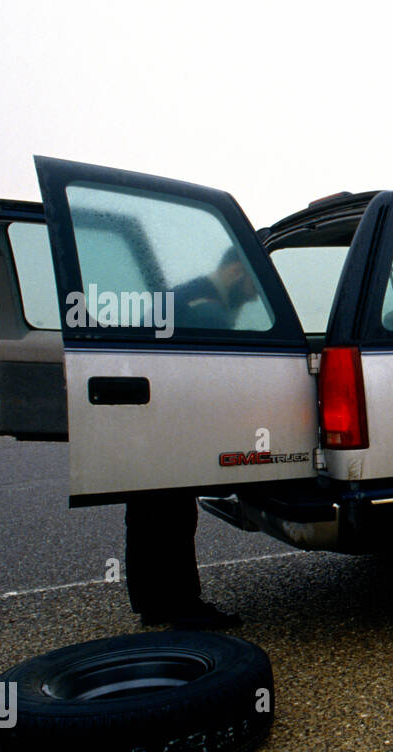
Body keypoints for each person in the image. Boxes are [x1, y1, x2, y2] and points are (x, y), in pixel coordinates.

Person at [125, 247, 258, 629]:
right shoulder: (206, 307)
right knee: (173, 512)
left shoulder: (186, 294)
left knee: (149, 509)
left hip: (149, 418)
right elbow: (217, 377)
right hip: (170, 423)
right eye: (250, 286)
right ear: (235, 270)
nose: (251, 297)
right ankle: (182, 605)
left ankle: (154, 603)